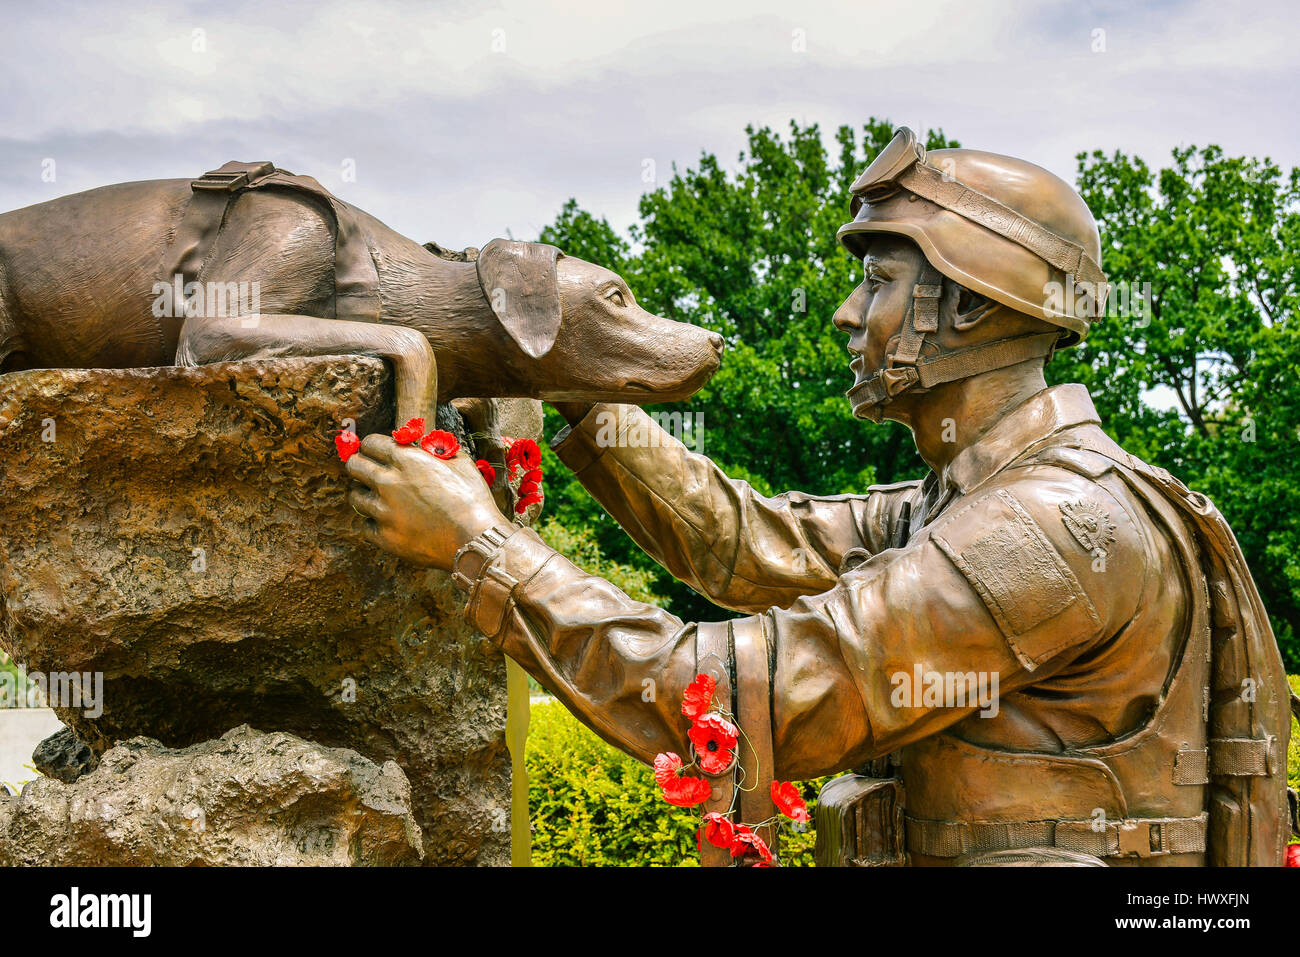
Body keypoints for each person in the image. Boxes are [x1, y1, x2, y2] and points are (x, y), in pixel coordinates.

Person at [344, 128, 1292, 866]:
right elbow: (749, 544)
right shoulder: (963, 499)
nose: (846, 314)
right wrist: (584, 389)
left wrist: (480, 542)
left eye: (878, 282)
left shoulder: (1049, 527)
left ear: (966, 308)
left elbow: (745, 691)